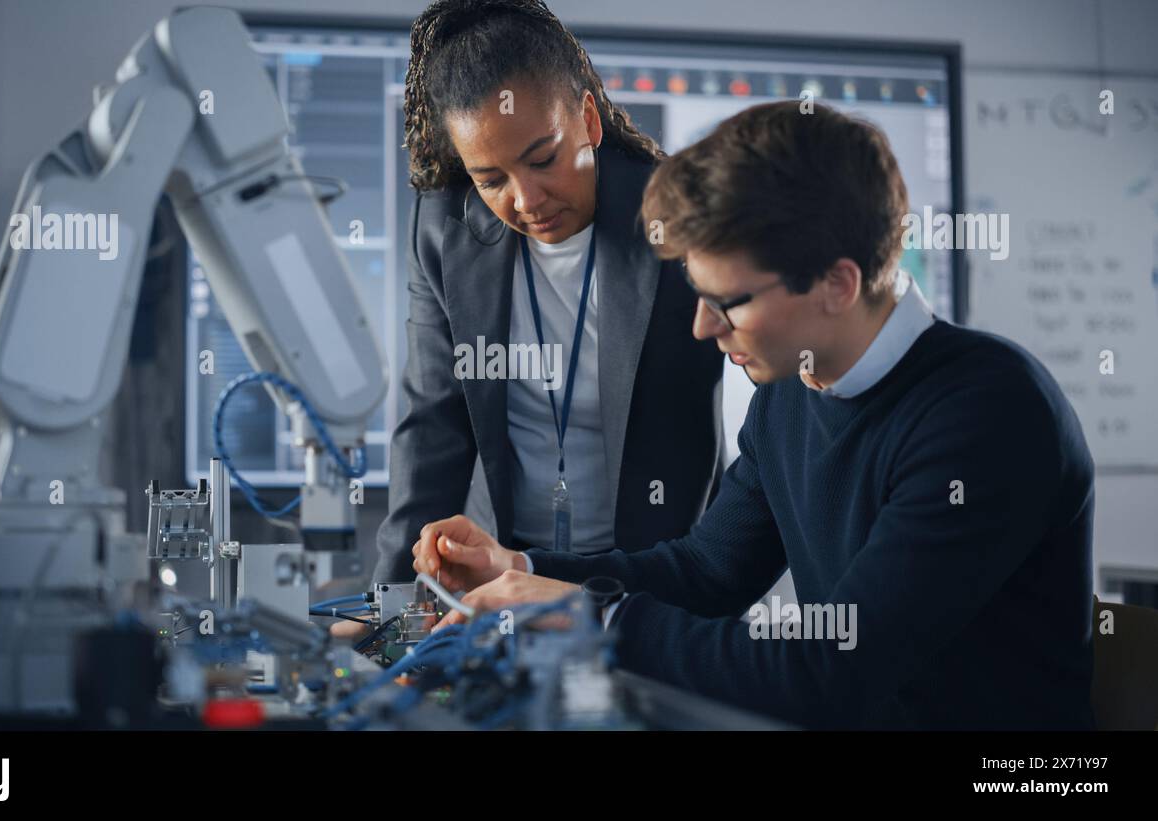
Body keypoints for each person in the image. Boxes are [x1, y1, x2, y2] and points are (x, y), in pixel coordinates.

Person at [410, 101, 1096, 731]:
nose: (704, 328)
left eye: (728, 302)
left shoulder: (989, 415)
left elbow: (833, 667)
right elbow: (709, 570)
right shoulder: (794, 386)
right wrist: (522, 567)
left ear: (838, 283)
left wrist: (585, 615)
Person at [365, 2, 725, 595]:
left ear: (587, 118)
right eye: (491, 179)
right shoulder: (442, 229)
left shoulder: (675, 215)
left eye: (543, 159)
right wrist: (387, 604)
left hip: (657, 565)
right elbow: (432, 423)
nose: (526, 199)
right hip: (504, 564)